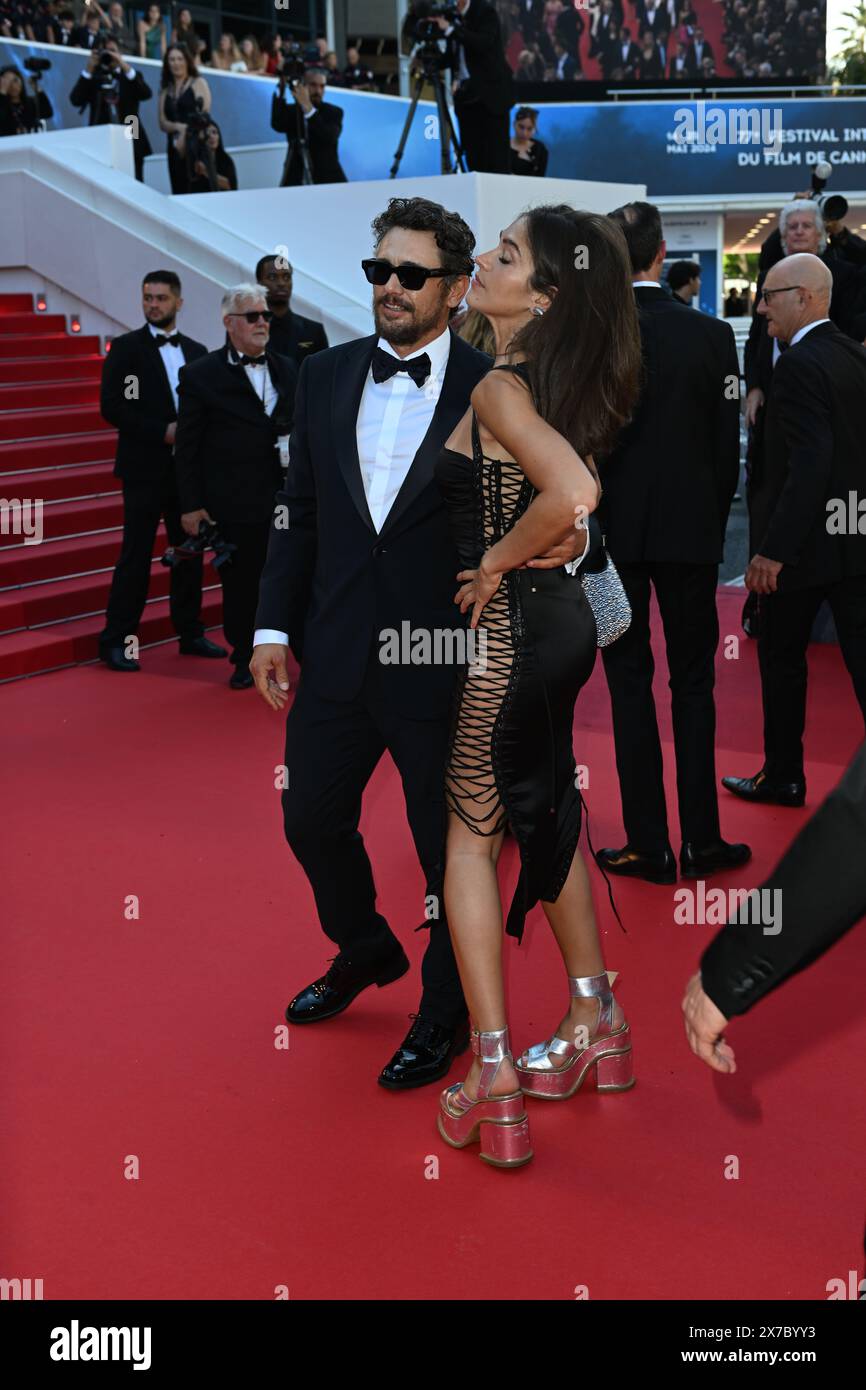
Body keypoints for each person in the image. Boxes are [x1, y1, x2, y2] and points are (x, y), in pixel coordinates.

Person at [250, 197, 589, 1091]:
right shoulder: (323, 377)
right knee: (309, 819)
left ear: (452, 287)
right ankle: (363, 945)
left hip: (442, 655)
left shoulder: (493, 380)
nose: (389, 289)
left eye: (411, 275)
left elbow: (558, 496)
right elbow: (301, 514)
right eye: (378, 272)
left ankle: (444, 1015)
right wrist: (272, 626)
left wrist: (566, 545)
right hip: (333, 650)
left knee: (447, 851)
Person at [433, 205, 642, 1167]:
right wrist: (530, 548)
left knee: (471, 838)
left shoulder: (503, 391)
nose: (483, 260)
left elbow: (573, 501)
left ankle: (494, 1075)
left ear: (544, 297)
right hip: (562, 631)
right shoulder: (565, 389)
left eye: (505, 255)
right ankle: (598, 1018)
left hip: (512, 636)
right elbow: (575, 526)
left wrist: (489, 564)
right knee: (546, 806)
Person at [596, 201, 749, 885]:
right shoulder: (713, 336)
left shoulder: (592, 336)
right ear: (661, 255)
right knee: (693, 684)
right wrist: (709, 528)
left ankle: (647, 846)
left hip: (608, 542)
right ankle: (703, 843)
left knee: (627, 685)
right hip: (690, 537)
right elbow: (726, 453)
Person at [722, 254, 866, 807]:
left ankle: (783, 776)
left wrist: (772, 553)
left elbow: (810, 462)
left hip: (803, 549)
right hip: (852, 542)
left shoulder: (801, 364)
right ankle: (781, 774)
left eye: (770, 296)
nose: (760, 308)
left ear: (804, 297)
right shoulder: (854, 354)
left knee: (781, 662)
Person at [97, 270, 223, 672]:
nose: (153, 304)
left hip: (186, 474)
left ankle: (189, 632)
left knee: (188, 555)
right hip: (143, 471)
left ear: (178, 303)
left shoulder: (198, 350)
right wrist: (162, 432)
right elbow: (113, 406)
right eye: (147, 297)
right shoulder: (126, 349)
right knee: (134, 557)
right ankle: (116, 640)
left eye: (161, 298)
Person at [174, 285, 297, 688]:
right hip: (233, 501)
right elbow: (187, 447)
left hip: (287, 499)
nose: (263, 322)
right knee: (243, 585)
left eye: (266, 316)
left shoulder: (289, 367)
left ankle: (297, 652)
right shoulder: (200, 375)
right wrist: (191, 505)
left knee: (293, 577)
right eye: (253, 316)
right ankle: (245, 658)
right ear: (229, 323)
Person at [434, 0, 513, 174]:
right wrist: (430, 61)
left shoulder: (485, 12)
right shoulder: (452, 16)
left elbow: (482, 43)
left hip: (492, 96)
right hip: (466, 96)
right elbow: (452, 54)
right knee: (473, 156)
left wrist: (451, 29)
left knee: (496, 158)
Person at [70, 37, 152, 181]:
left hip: (131, 131)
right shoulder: (93, 78)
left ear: (120, 54)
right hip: (102, 139)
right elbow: (75, 100)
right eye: (105, 52)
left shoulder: (131, 75)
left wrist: (123, 65)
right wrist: (89, 68)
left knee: (135, 183)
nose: (109, 55)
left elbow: (146, 93)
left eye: (113, 51)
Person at [270, 66, 346, 186]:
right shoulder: (293, 112)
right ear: (302, 86)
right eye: (313, 85)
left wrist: (308, 108)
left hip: (328, 181)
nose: (318, 91)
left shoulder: (334, 112)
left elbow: (328, 137)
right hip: (296, 179)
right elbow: (277, 124)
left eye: (322, 86)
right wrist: (281, 89)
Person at [255, 253, 328, 367]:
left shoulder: (314, 331)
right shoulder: (246, 330)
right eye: (272, 277)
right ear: (259, 283)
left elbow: (324, 374)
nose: (281, 283)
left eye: (286, 277)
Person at [158, 42, 211, 195]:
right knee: (178, 190)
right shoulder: (165, 89)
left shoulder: (198, 83)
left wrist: (186, 133)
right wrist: (178, 128)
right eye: (172, 59)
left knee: (199, 190)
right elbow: (162, 122)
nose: (176, 63)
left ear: (187, 60)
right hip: (173, 148)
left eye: (180, 59)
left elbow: (205, 115)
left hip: (197, 146)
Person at [0, 65, 52, 136]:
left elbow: (47, 113)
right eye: (7, 82)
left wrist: (37, 88)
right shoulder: (3, 104)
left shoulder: (30, 102)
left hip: (31, 143)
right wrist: (2, 92)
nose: (13, 86)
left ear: (21, 80)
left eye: (15, 80)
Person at [187, 120, 237, 193]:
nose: (211, 136)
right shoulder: (195, 159)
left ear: (219, 137)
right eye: (207, 133)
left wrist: (206, 172)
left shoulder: (226, 159)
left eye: (214, 132)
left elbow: (231, 186)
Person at [509, 105, 548, 176]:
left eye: (529, 129)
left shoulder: (540, 150)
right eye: (521, 127)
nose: (524, 133)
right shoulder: (502, 145)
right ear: (514, 124)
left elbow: (540, 178)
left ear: (534, 129)